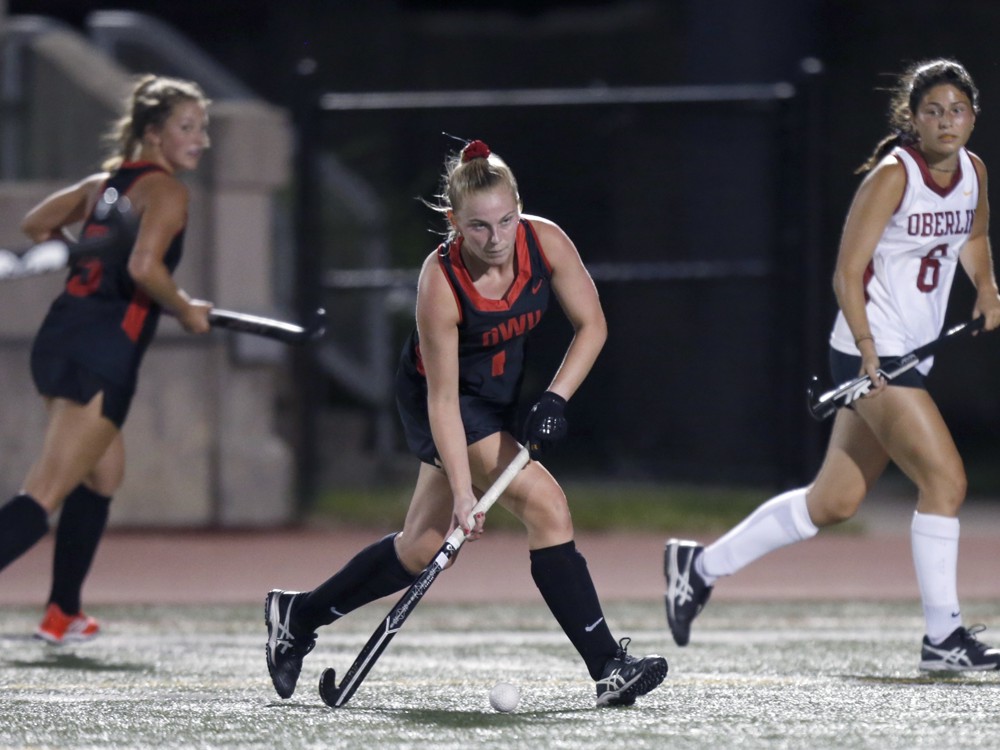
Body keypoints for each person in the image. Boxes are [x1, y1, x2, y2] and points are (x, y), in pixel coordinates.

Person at [266, 139, 667, 706]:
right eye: (478, 226)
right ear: (454, 223)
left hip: (500, 394)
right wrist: (461, 490)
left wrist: (555, 398)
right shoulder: (441, 282)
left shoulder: (544, 241)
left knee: (420, 549)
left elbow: (592, 324)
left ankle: (297, 616)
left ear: (519, 209)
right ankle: (608, 667)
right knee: (548, 507)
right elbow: (443, 401)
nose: (496, 238)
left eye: (506, 220)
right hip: (445, 400)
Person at [665, 58, 1000, 671]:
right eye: (933, 111)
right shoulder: (894, 176)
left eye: (957, 110)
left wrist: (987, 287)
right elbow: (847, 272)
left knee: (834, 502)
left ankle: (700, 567)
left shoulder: (974, 171)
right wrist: (868, 350)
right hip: (874, 347)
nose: (946, 121)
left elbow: (973, 240)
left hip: (911, 349)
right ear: (913, 118)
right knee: (946, 481)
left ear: (973, 116)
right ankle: (943, 638)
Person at [0, 75, 213, 643]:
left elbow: (36, 225)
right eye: (188, 127)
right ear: (153, 133)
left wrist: (87, 252)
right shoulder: (167, 192)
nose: (201, 139)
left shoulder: (103, 186)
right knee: (43, 494)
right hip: (103, 349)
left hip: (61, 336)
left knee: (102, 474)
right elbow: (145, 268)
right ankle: (61, 611)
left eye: (203, 128)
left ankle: (62, 612)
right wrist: (186, 309)